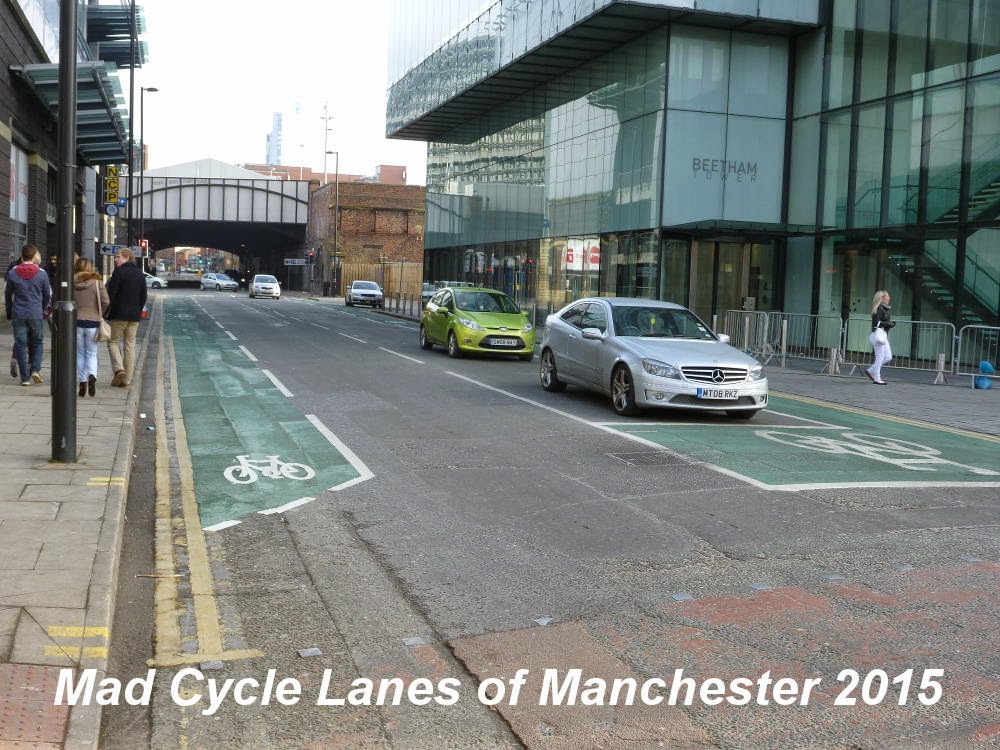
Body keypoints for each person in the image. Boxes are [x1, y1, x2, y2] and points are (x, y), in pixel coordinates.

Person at [4, 243, 51, 386]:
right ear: (34, 256)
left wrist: (9, 311)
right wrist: (41, 308)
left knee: (20, 344)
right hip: (35, 312)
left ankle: (24, 378)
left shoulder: (12, 273)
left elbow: (7, 295)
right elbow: (47, 295)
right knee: (37, 342)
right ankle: (35, 370)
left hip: (18, 313)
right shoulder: (42, 273)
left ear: (21, 256)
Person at [105, 247, 147, 387]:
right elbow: (143, 296)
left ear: (127, 258)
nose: (116, 259)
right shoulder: (140, 274)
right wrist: (138, 310)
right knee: (130, 346)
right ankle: (126, 380)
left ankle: (119, 370)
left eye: (118, 256)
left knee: (112, 342)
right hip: (134, 316)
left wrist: (106, 310)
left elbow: (111, 294)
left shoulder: (119, 272)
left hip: (118, 314)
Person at [73, 257, 109, 397]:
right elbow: (106, 301)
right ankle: (92, 376)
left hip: (77, 322)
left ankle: (82, 383)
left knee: (80, 354)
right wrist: (100, 313)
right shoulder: (97, 282)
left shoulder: (72, 283)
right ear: (90, 267)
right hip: (93, 322)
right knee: (92, 354)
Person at [866, 290, 894, 385]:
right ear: (882, 298)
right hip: (878, 335)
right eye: (887, 296)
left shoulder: (884, 308)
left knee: (888, 357)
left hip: (882, 336)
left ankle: (871, 370)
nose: (889, 297)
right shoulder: (879, 308)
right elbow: (876, 323)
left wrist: (888, 324)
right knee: (880, 357)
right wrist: (889, 324)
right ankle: (877, 378)